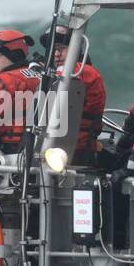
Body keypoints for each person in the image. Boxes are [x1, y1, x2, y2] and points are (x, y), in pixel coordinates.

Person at [40, 22, 107, 166]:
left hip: (76, 148)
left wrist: (36, 73)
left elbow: (64, 79)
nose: (56, 54)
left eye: (62, 49)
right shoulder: (51, 72)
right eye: (53, 49)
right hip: (52, 144)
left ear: (76, 49)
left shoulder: (85, 72)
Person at [0, 29, 41, 154]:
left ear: (13, 55)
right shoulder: (39, 75)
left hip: (12, 150)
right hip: (38, 146)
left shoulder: (7, 79)